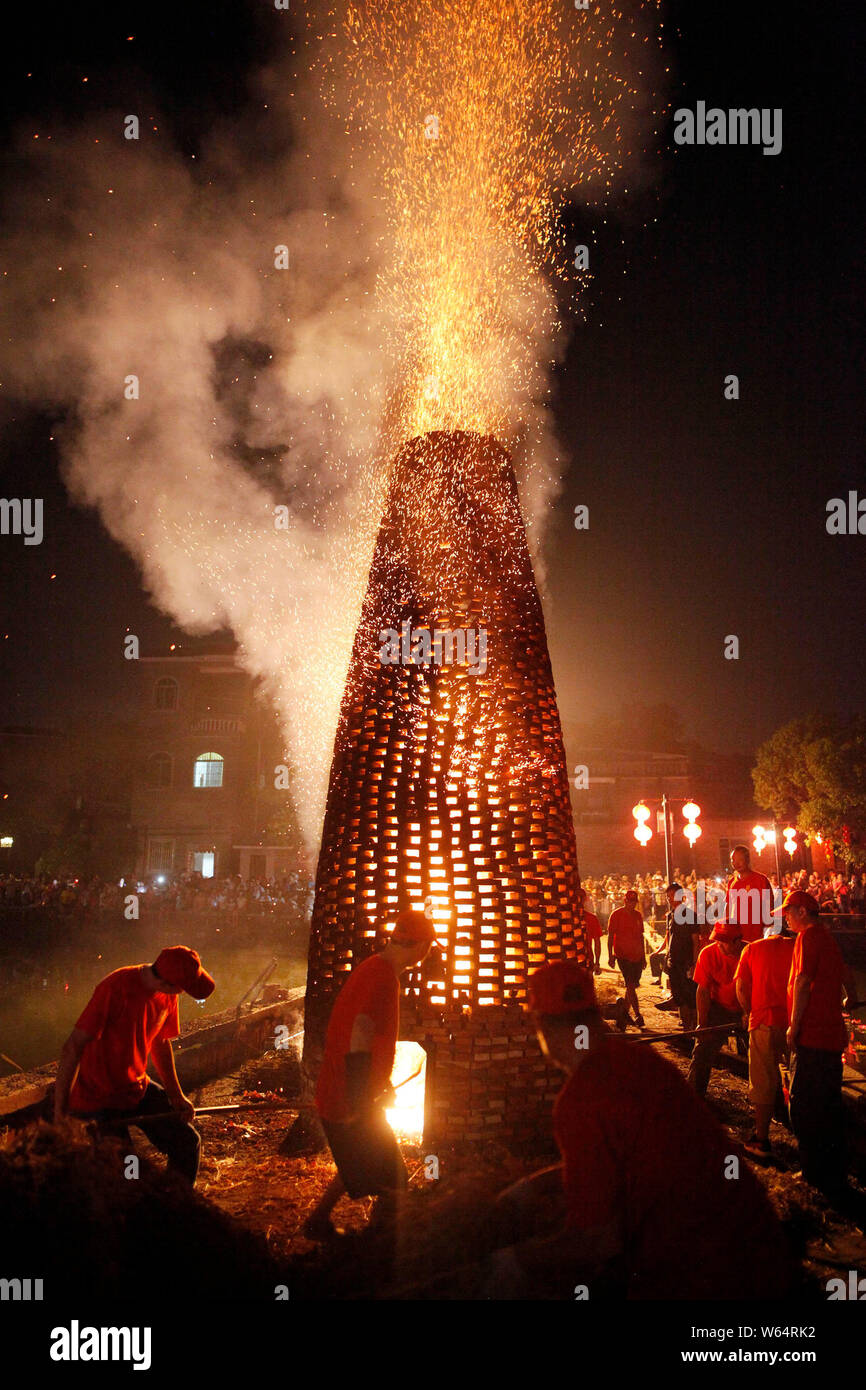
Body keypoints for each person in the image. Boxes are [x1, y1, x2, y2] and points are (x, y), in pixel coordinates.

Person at [487, 960, 795, 1299]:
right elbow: (621, 1155)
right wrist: (532, 1186)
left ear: (541, 1025)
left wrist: (516, 1262)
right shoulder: (641, 1061)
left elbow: (598, 1239)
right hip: (761, 1247)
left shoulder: (580, 1100)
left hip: (706, 1276)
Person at [304, 909, 438, 1240]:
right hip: (348, 1094)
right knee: (394, 1176)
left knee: (360, 1162)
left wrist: (382, 1083)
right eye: (429, 948)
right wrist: (362, 1099)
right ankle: (381, 1242)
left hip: (345, 1088)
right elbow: (360, 1034)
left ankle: (317, 1222)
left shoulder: (373, 968)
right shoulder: (382, 977)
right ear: (420, 947)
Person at [53, 945, 215, 1184]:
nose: (182, 994)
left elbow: (160, 1043)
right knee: (128, 1170)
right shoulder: (115, 988)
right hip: (97, 1096)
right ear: (167, 984)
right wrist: (61, 1113)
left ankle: (175, 1204)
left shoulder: (168, 994)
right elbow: (73, 1046)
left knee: (187, 1143)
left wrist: (176, 1095)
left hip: (136, 1087)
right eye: (183, 989)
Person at [783, 889, 859, 1196]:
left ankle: (813, 1172)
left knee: (803, 1105)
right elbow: (846, 973)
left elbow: (802, 982)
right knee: (828, 1104)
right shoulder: (828, 938)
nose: (786, 919)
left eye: (788, 912)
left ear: (802, 911)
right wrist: (850, 997)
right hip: (832, 1035)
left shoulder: (808, 937)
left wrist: (793, 1026)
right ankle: (833, 1171)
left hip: (813, 1034)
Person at [735, 918, 796, 1158]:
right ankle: (800, 1133)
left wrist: (747, 1011)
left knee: (763, 1079)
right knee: (795, 1076)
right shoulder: (798, 946)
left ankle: (761, 1138)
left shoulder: (752, 948)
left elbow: (740, 986)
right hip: (794, 1023)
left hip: (762, 1021)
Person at [687, 922, 745, 1097]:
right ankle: (693, 1097)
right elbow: (703, 991)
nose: (719, 945)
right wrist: (702, 1024)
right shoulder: (708, 953)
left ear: (737, 941)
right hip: (718, 1007)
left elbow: (757, 987)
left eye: (724, 941)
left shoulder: (749, 953)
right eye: (717, 940)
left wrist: (748, 1012)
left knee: (763, 1054)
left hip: (746, 1007)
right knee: (702, 1051)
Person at [662, 881, 701, 1030]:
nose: (670, 898)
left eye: (673, 895)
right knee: (679, 996)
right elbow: (669, 936)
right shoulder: (669, 916)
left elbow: (695, 940)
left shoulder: (690, 915)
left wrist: (695, 963)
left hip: (686, 962)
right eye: (668, 896)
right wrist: (666, 955)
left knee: (690, 996)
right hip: (674, 961)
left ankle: (694, 1026)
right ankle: (685, 1026)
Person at [606, 889, 646, 1027]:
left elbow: (641, 936)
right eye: (630, 901)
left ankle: (623, 1014)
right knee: (630, 984)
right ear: (625, 901)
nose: (632, 904)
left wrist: (644, 956)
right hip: (622, 955)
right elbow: (611, 936)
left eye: (634, 902)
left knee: (632, 986)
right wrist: (610, 955)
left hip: (637, 955)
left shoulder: (638, 916)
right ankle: (638, 1015)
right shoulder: (616, 915)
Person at [726, 844, 773, 944]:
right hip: (736, 937)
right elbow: (729, 906)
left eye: (740, 859)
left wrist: (768, 930)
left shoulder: (761, 880)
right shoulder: (731, 883)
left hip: (756, 936)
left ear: (747, 860)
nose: (736, 863)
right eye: (733, 860)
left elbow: (769, 907)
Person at [577, 886, 602, 974]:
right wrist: (597, 963)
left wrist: (597, 963)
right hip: (585, 960)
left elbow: (597, 942)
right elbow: (597, 943)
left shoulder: (566, 918)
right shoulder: (592, 918)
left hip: (582, 960)